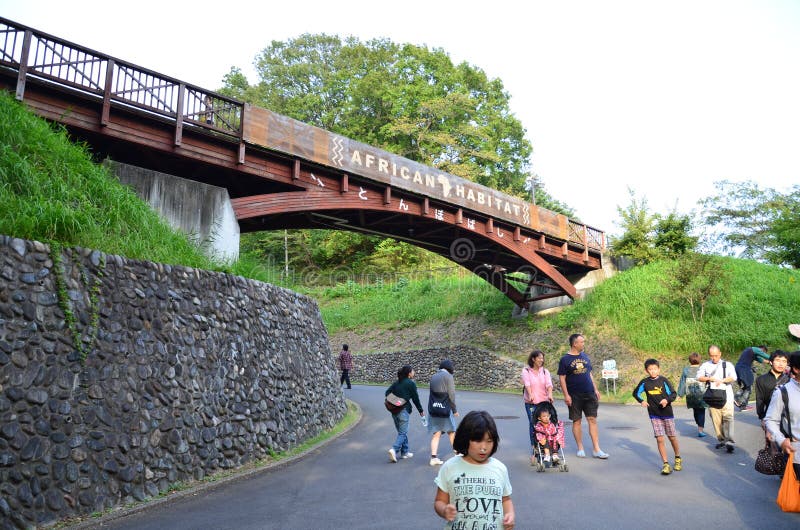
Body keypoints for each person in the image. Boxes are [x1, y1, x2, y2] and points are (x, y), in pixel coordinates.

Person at [433, 411, 515, 529]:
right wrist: (444, 510)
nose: (483, 447)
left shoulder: (500, 468)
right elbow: (439, 501)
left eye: (489, 441)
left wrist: (510, 514)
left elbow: (505, 500)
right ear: (465, 439)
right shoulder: (450, 467)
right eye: (477, 441)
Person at [557, 333, 609, 459]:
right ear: (575, 344)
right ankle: (580, 448)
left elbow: (589, 373)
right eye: (582, 342)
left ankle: (597, 449)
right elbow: (562, 378)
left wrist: (595, 389)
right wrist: (566, 395)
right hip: (574, 395)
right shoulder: (565, 359)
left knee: (592, 419)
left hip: (589, 393)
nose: (583, 344)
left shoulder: (585, 356)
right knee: (577, 421)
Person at [633, 359, 682, 475]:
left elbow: (673, 394)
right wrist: (642, 401)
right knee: (660, 439)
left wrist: (666, 400)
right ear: (646, 370)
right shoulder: (645, 382)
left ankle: (678, 458)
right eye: (650, 369)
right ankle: (665, 464)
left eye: (655, 369)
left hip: (667, 414)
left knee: (672, 437)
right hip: (654, 414)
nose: (653, 371)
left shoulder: (664, 380)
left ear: (659, 369)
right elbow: (635, 393)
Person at [764, 351, 800, 478]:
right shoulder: (783, 392)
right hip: (797, 454)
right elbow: (771, 420)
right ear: (796, 369)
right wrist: (781, 440)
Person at [697, 345, 737, 453]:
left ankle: (729, 441)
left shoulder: (727, 365)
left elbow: (733, 377)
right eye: (711, 356)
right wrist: (709, 378)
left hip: (727, 395)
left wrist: (722, 380)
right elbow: (699, 377)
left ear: (720, 354)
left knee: (728, 418)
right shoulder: (706, 365)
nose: (714, 358)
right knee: (716, 420)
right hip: (712, 396)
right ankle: (722, 440)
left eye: (716, 355)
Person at [385, 365, 424, 462]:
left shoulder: (397, 383)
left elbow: (387, 392)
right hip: (403, 411)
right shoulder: (411, 383)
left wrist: (396, 401)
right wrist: (421, 411)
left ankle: (405, 452)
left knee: (402, 432)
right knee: (403, 432)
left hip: (394, 411)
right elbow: (415, 399)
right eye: (413, 371)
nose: (414, 372)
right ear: (409, 373)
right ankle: (394, 449)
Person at [521, 349, 554, 464]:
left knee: (545, 425)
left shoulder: (545, 372)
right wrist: (530, 395)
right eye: (539, 358)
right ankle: (535, 450)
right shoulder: (526, 371)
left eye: (542, 358)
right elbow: (527, 384)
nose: (541, 360)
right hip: (531, 403)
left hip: (544, 402)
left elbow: (549, 384)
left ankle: (548, 450)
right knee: (533, 425)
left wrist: (550, 394)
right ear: (533, 359)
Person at [428, 359, 460, 466]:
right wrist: (454, 410)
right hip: (445, 409)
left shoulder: (433, 376)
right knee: (451, 431)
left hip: (434, 409)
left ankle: (433, 458)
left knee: (436, 434)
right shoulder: (448, 377)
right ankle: (457, 454)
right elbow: (452, 395)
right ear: (449, 368)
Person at [755, 350, 790, 431]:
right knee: (772, 442)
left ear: (787, 364)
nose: (781, 364)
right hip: (770, 418)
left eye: (784, 361)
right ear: (771, 362)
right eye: (778, 360)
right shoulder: (761, 379)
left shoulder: (790, 380)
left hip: (788, 419)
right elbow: (760, 399)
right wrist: (762, 417)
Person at [677, 352, 708, 437]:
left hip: (690, 395)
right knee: (701, 411)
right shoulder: (702, 369)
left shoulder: (686, 370)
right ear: (699, 360)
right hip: (701, 395)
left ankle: (698, 423)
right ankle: (700, 430)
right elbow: (708, 381)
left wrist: (680, 394)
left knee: (695, 410)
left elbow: (682, 383)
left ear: (689, 360)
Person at [734, 345, 770, 411]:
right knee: (748, 387)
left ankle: (742, 404)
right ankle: (738, 400)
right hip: (744, 369)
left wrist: (770, 362)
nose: (762, 353)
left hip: (739, 368)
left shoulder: (751, 352)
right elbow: (765, 356)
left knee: (746, 386)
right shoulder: (754, 349)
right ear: (762, 349)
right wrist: (775, 358)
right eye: (763, 352)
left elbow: (760, 359)